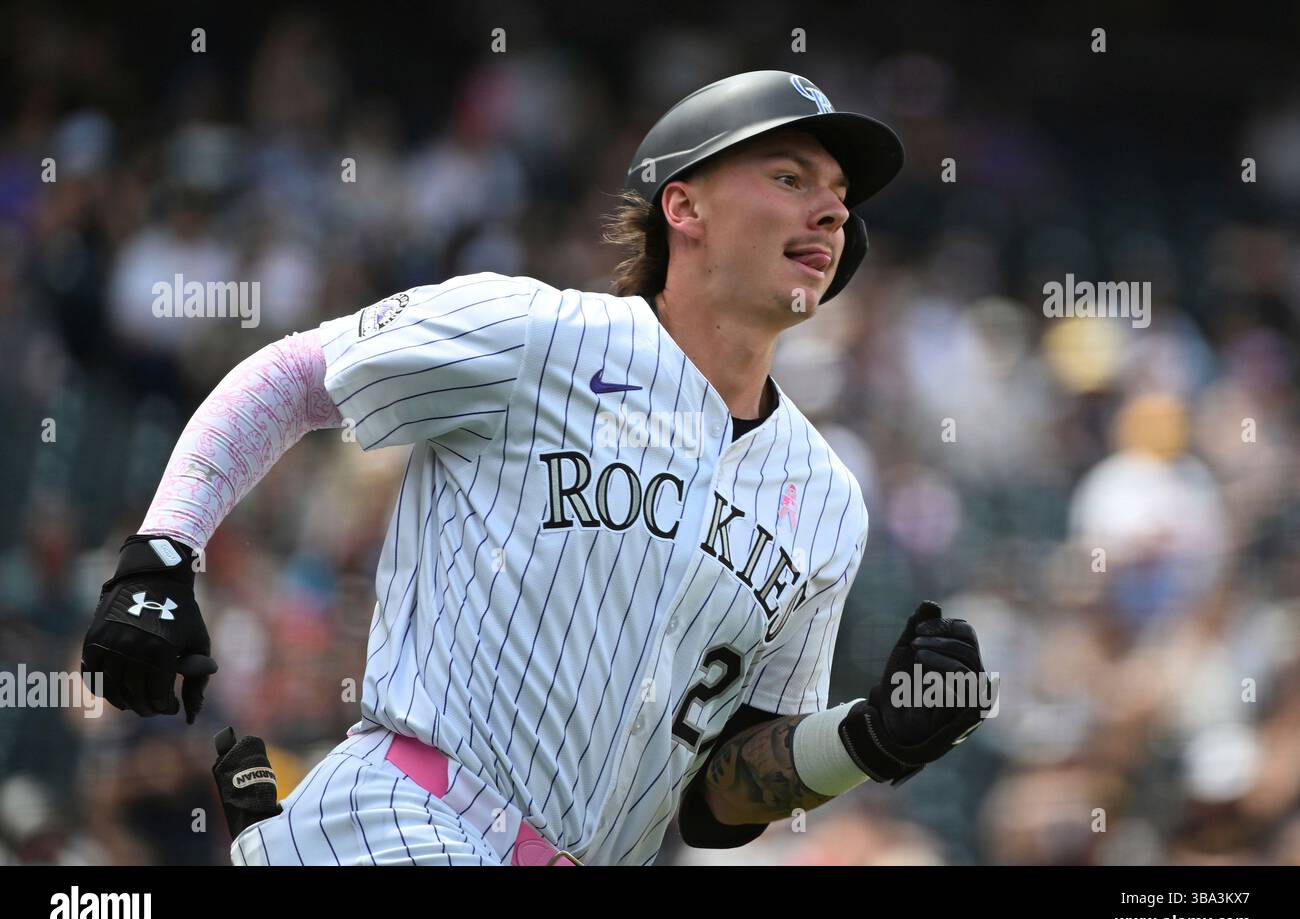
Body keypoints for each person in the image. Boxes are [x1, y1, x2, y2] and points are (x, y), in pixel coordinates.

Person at [82, 70, 993, 866]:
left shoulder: (828, 501)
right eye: (790, 177)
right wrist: (163, 556)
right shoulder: (538, 333)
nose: (830, 208)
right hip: (407, 818)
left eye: (837, 194)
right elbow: (293, 377)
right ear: (684, 207)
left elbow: (718, 798)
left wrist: (869, 738)